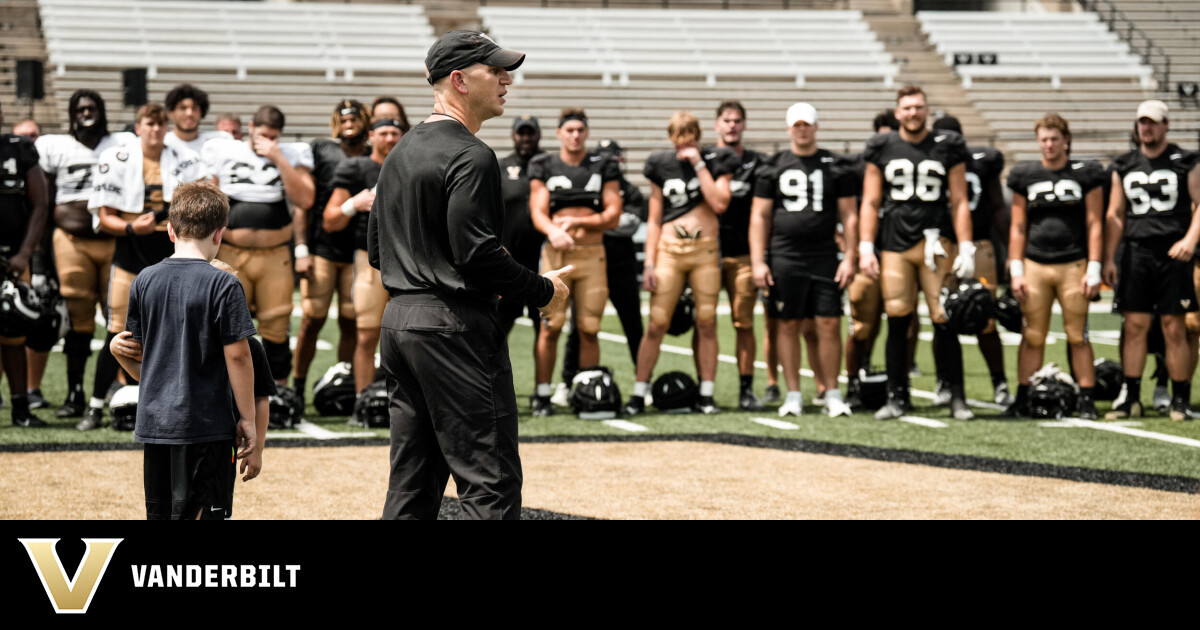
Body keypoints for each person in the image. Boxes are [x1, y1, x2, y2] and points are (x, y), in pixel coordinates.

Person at [368, 31, 569, 520]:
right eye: (495, 70)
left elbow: (377, 251)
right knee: (491, 482)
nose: (507, 79)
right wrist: (544, 290)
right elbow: (477, 255)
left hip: (400, 322)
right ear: (458, 80)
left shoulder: (401, 150)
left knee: (412, 483)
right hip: (453, 326)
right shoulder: (471, 154)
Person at [109, 181, 259, 519]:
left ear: (171, 231)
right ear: (220, 234)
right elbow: (238, 355)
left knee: (162, 513)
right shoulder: (224, 282)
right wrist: (247, 418)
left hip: (157, 424)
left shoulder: (144, 279)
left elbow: (144, 364)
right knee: (206, 512)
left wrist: (116, 351)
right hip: (207, 424)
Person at [859, 85, 975, 421]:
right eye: (907, 108)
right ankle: (897, 397)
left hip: (937, 242)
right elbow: (870, 200)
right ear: (897, 113)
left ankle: (956, 396)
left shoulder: (947, 145)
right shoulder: (882, 146)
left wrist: (966, 245)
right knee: (897, 318)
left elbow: (959, 199)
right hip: (895, 243)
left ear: (927, 111)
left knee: (945, 318)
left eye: (919, 107)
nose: (913, 113)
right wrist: (867, 246)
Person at [626, 111, 736, 416]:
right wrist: (649, 263)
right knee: (658, 322)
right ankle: (639, 393)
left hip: (704, 249)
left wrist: (699, 164)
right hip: (670, 250)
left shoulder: (717, 160)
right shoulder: (661, 164)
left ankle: (707, 394)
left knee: (707, 321)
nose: (684, 139)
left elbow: (719, 203)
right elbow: (655, 216)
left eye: (689, 133)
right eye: (679, 134)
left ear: (698, 134)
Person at [751, 103, 858, 418]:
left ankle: (832, 392)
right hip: (785, 255)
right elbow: (759, 216)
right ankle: (794, 394)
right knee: (787, 324)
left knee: (829, 323)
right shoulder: (773, 166)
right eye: (797, 125)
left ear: (816, 126)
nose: (802, 129)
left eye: (807, 124)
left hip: (824, 254)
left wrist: (850, 256)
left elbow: (850, 215)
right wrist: (759, 260)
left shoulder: (836, 165)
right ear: (788, 129)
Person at [35, 90, 135, 421]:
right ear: (71, 113)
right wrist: (41, 253)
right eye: (80, 108)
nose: (86, 113)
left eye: (92, 107)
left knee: (119, 319)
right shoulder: (55, 146)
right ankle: (75, 393)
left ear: (103, 111)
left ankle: (121, 390)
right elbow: (45, 201)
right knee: (79, 321)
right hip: (71, 240)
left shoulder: (121, 143)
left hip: (113, 240)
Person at [1102, 100, 1200, 421]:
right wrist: (1109, 258)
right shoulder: (1124, 164)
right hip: (1136, 252)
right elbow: (1115, 215)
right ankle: (1131, 398)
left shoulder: (1185, 161)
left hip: (1172, 253)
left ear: (1166, 125)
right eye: (1142, 122)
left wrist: (1189, 240)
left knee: (1175, 328)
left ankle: (1180, 400)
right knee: (1134, 326)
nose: (1147, 128)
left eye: (1153, 122)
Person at [204, 105, 315, 385]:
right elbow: (210, 198)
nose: (268, 142)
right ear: (250, 128)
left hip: (274, 254)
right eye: (264, 135)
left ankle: (279, 391)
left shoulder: (290, 153)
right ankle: (220, 388)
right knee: (222, 322)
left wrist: (278, 157)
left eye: (275, 137)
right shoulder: (225, 151)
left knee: (276, 324)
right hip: (229, 250)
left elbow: (305, 199)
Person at [1004, 113, 1104, 419]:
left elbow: (1095, 222)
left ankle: (1087, 398)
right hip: (1035, 264)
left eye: (1054, 139)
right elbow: (1018, 226)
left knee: (1078, 335)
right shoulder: (1026, 174)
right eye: (1044, 139)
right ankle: (1024, 395)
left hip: (1073, 263)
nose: (1049, 145)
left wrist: (1095, 266)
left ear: (1066, 140)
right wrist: (1017, 269)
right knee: (1032, 334)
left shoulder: (1085, 173)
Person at [527, 107, 621, 416]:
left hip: (593, 255)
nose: (575, 135)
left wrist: (580, 223)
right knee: (550, 326)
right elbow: (538, 210)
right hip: (558, 254)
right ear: (558, 134)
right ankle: (542, 393)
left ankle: (587, 391)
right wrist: (554, 230)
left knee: (590, 327)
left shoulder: (602, 165)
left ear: (587, 133)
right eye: (569, 130)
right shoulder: (544, 164)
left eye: (580, 130)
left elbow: (613, 213)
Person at [556, 138, 646, 406]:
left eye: (614, 157)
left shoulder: (628, 190)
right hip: (591, 264)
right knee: (580, 327)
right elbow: (612, 221)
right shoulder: (591, 186)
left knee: (633, 325)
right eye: (604, 157)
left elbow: (628, 223)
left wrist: (595, 223)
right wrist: (603, 221)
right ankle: (566, 380)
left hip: (620, 267)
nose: (610, 163)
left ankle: (643, 383)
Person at [930, 115, 1011, 407]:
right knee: (942, 320)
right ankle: (946, 381)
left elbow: (998, 207)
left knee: (984, 318)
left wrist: (1011, 251)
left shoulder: (982, 162)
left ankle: (999, 382)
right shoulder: (928, 163)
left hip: (976, 244)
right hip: (941, 244)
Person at [322, 114, 405, 393]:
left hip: (407, 258)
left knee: (408, 335)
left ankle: (409, 400)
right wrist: (352, 204)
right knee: (367, 334)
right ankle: (362, 399)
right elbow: (330, 219)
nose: (390, 138)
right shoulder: (357, 168)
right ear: (371, 136)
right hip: (370, 258)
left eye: (395, 133)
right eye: (384, 133)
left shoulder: (411, 166)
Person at [292, 100, 368, 401]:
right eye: (344, 117)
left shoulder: (372, 155)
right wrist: (301, 248)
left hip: (357, 250)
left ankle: (344, 383)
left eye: (354, 117)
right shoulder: (321, 150)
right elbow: (304, 203)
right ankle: (297, 387)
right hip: (323, 247)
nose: (349, 122)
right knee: (312, 319)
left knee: (351, 321)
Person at [701, 100, 768, 411]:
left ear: (744, 125)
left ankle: (746, 388)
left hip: (743, 253)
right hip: (707, 253)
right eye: (726, 120)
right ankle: (705, 390)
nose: (732, 125)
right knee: (706, 322)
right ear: (717, 125)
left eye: (737, 120)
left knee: (743, 324)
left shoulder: (758, 162)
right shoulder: (702, 159)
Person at [843, 110, 904, 409]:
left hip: (899, 252)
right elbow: (842, 211)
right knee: (861, 325)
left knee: (901, 322)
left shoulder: (906, 163)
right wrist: (849, 249)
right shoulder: (858, 166)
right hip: (867, 256)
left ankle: (899, 387)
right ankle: (853, 382)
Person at [0, 102, 51, 426]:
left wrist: (24, 253)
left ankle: (21, 408)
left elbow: (40, 203)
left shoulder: (18, 148)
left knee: (13, 330)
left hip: (13, 258)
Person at [496, 115, 545, 351]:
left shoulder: (550, 165)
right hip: (509, 262)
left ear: (539, 135)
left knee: (546, 328)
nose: (526, 138)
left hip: (543, 262)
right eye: (521, 133)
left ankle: (544, 388)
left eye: (530, 133)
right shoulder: (500, 166)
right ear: (513, 135)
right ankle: (489, 385)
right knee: (498, 327)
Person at [163, 84, 230, 155]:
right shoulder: (162, 143)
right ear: (171, 112)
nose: (189, 113)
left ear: (201, 112)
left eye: (194, 108)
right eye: (183, 108)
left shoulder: (217, 142)